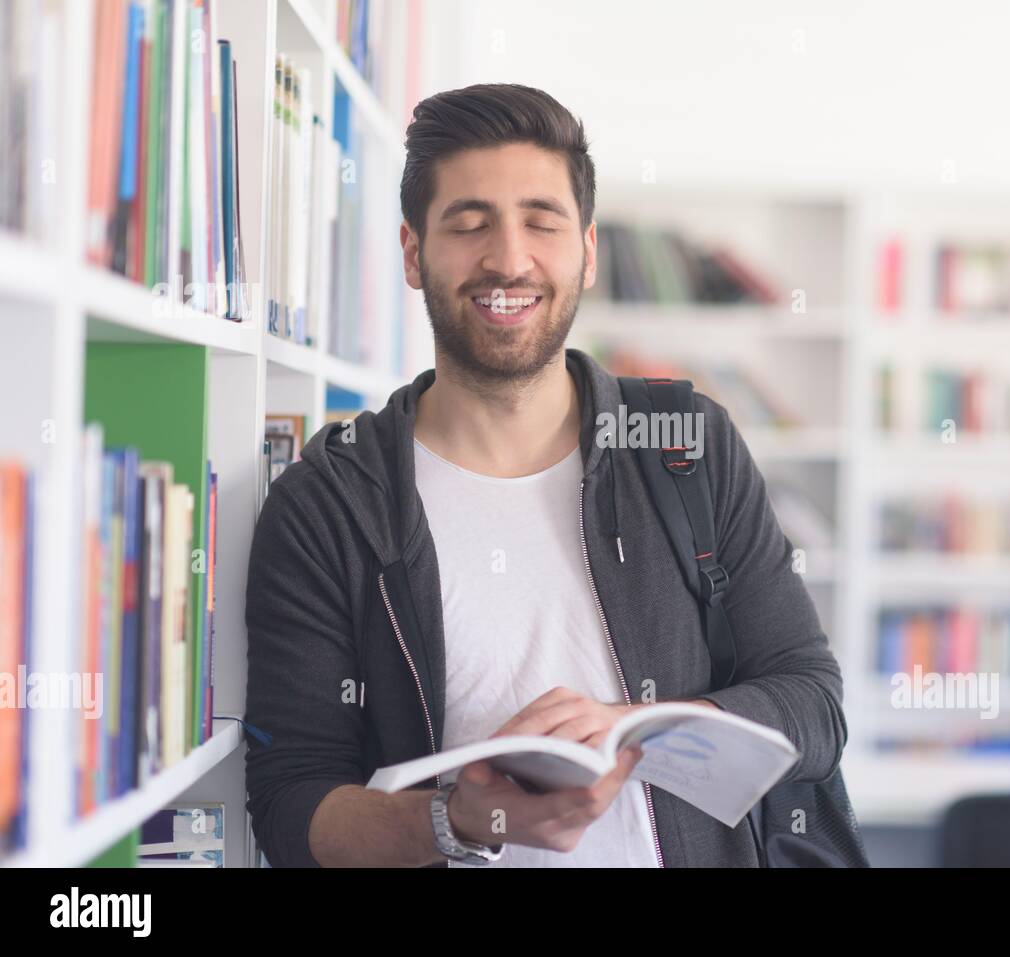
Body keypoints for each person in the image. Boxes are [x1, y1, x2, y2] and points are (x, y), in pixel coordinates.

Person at [243, 83, 847, 867]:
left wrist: (639, 723)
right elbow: (293, 805)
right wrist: (455, 820)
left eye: (541, 220)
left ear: (588, 251)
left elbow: (813, 704)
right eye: (469, 223)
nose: (509, 258)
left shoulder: (686, 443)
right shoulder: (326, 503)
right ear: (413, 252)